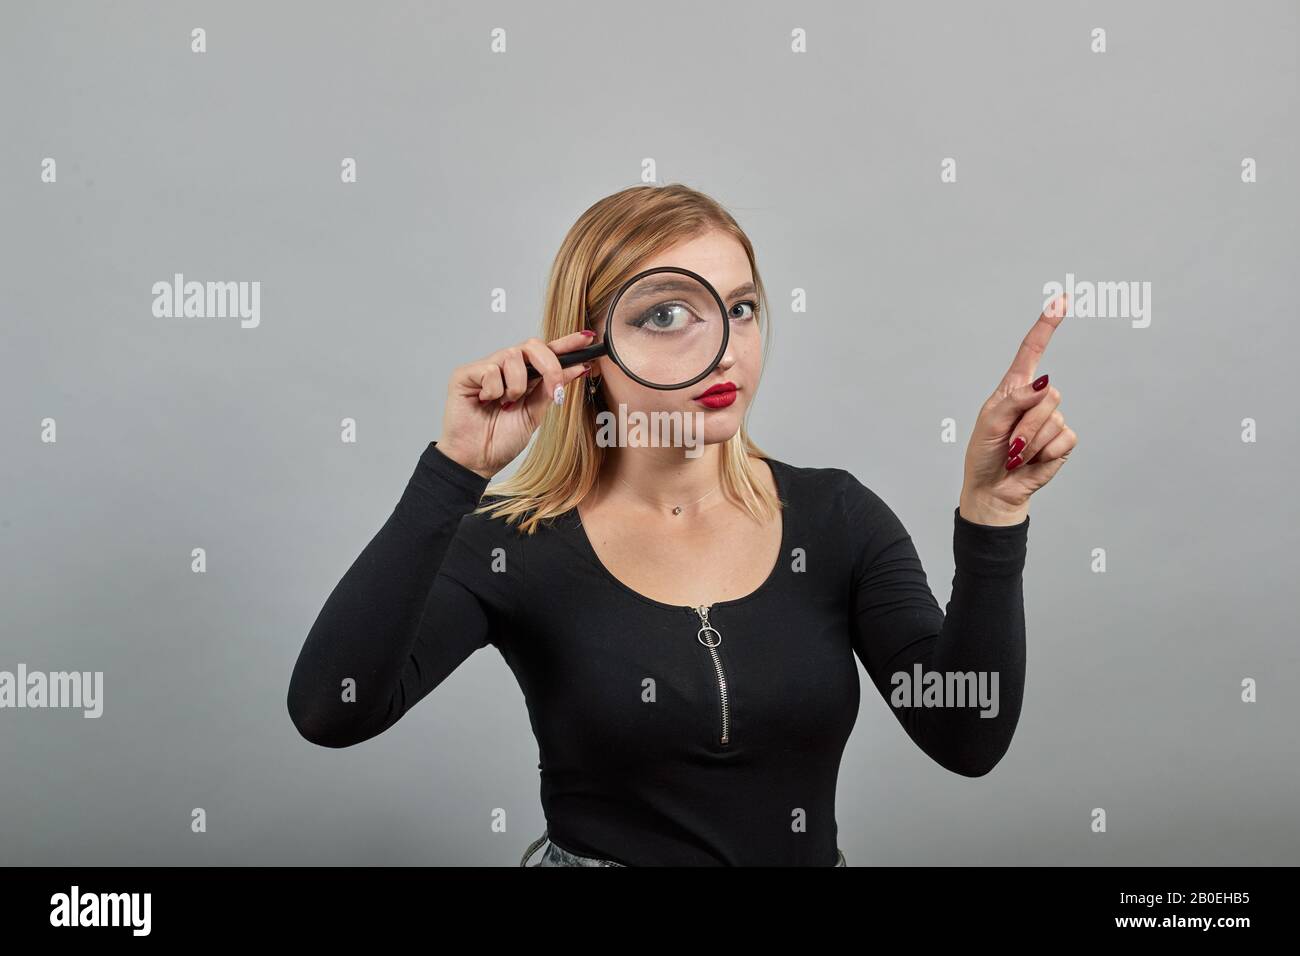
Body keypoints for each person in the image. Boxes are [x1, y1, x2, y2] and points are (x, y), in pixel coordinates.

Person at [286, 183, 1077, 866]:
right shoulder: (512, 542)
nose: (724, 350)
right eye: (668, 314)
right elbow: (332, 710)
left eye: (740, 308)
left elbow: (965, 737)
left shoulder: (838, 518)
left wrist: (994, 515)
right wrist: (454, 470)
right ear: (586, 352)